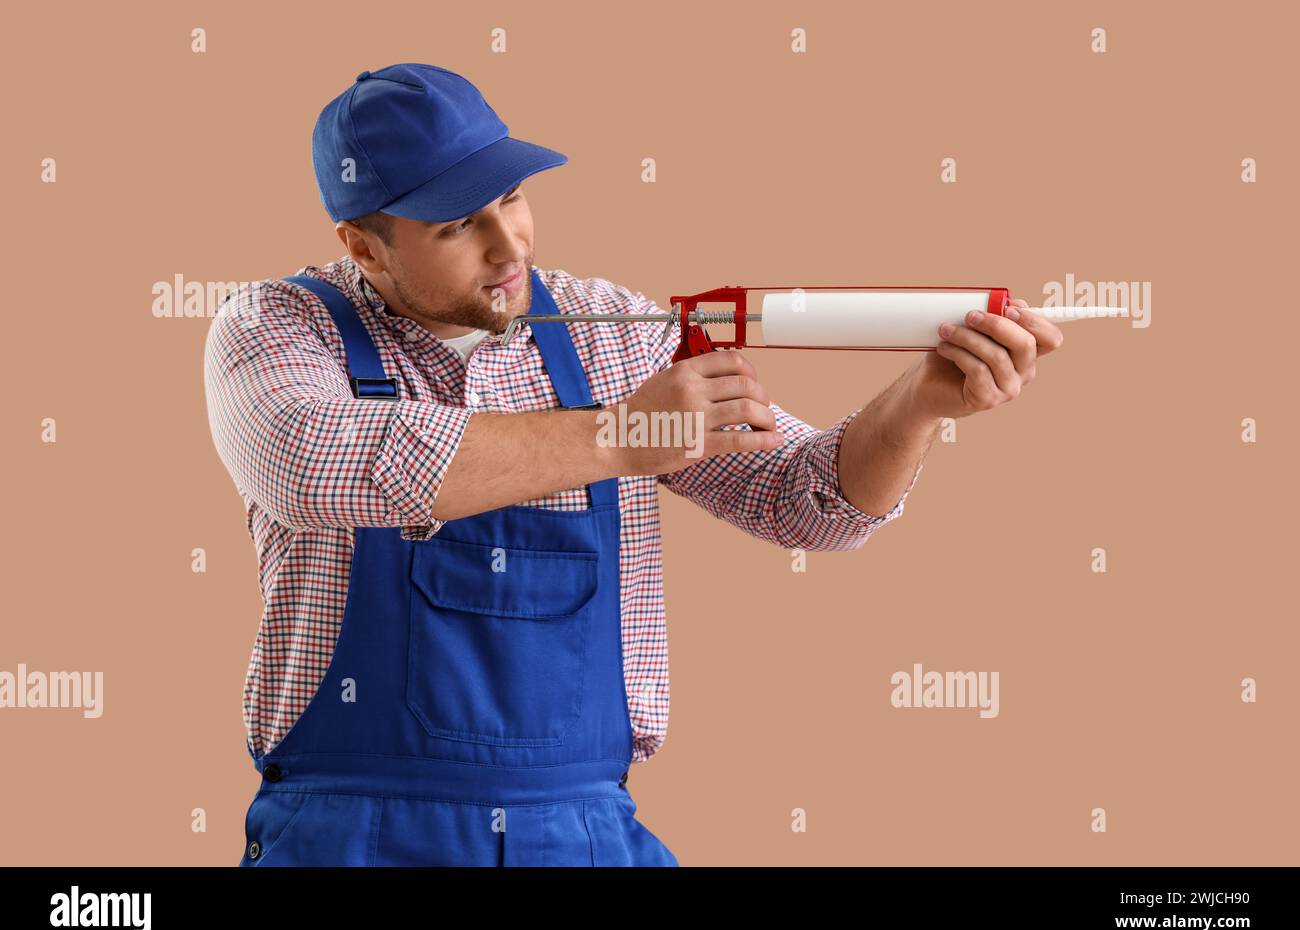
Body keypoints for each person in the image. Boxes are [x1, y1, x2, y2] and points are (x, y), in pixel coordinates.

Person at [203, 62, 1062, 867]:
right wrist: (617, 437)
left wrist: (917, 405)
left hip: (580, 831)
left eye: (511, 196)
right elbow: (309, 462)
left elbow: (807, 501)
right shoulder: (279, 327)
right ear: (364, 247)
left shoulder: (604, 327)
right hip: (352, 832)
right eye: (459, 224)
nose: (510, 246)